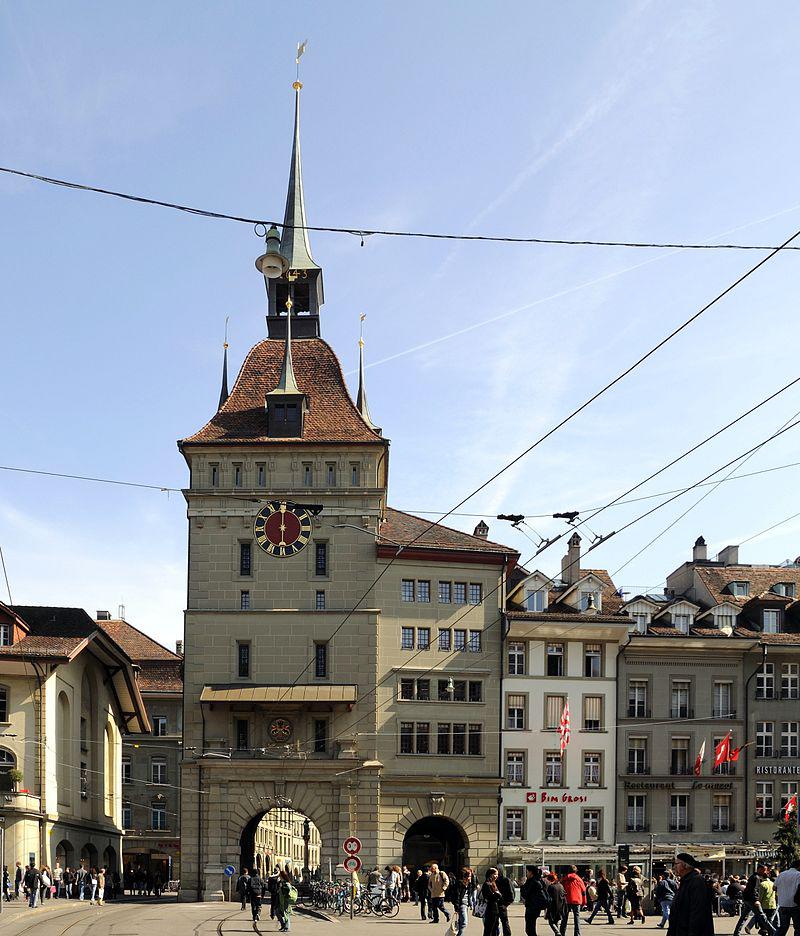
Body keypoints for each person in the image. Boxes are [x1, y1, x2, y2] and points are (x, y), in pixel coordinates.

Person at [667, 853, 715, 936]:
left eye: (676, 864)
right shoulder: (685, 881)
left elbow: (698, 912)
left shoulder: (696, 881)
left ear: (686, 865)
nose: (674, 867)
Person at [735, 867, 776, 936]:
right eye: (764, 870)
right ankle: (773, 931)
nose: (765, 871)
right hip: (752, 900)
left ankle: (736, 932)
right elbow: (755, 890)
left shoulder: (753, 876)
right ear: (759, 869)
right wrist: (756, 900)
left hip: (748, 899)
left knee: (744, 917)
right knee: (762, 916)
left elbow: (751, 890)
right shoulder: (756, 878)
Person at [521, 866, 550, 936]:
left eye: (527, 872)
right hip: (535, 907)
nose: (526, 874)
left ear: (531, 873)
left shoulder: (533, 882)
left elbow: (525, 894)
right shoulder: (539, 880)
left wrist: (522, 885)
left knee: (529, 929)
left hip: (532, 907)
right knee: (530, 928)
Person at [774, 859, 800, 936]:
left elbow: (774, 888)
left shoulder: (781, 874)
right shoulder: (798, 874)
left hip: (782, 904)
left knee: (783, 927)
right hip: (795, 904)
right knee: (798, 928)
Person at [561, 866, 587, 936]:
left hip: (567, 900)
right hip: (577, 900)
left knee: (564, 918)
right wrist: (584, 902)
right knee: (577, 918)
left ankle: (562, 933)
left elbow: (561, 889)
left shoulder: (564, 879)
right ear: (576, 871)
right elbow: (583, 891)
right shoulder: (579, 879)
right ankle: (577, 934)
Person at [481, 868, 506, 936]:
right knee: (489, 930)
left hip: (495, 910)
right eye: (495, 874)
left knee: (495, 929)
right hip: (490, 910)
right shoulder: (487, 884)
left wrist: (497, 895)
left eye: (497, 874)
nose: (497, 876)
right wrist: (497, 895)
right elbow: (489, 897)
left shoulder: (493, 883)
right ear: (490, 875)